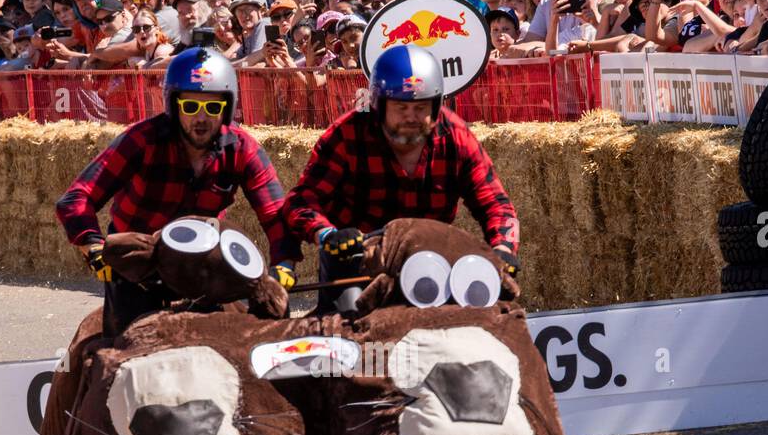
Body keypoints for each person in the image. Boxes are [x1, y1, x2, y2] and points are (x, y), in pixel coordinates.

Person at [55, 47, 297, 337]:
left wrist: (284, 264)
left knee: (270, 319)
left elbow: (276, 216)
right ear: (174, 105)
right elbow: (77, 198)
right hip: (139, 264)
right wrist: (93, 246)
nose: (202, 118)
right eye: (191, 107)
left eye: (213, 107)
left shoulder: (244, 148)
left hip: (203, 264)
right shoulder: (141, 139)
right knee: (123, 351)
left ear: (228, 108)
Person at [282, 45, 520, 314]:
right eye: (401, 106)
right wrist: (326, 234)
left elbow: (495, 203)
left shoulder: (456, 136)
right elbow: (300, 200)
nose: (411, 117)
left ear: (437, 104)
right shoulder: (347, 133)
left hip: (428, 256)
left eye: (421, 107)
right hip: (354, 257)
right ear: (378, 105)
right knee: (348, 328)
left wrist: (502, 248)